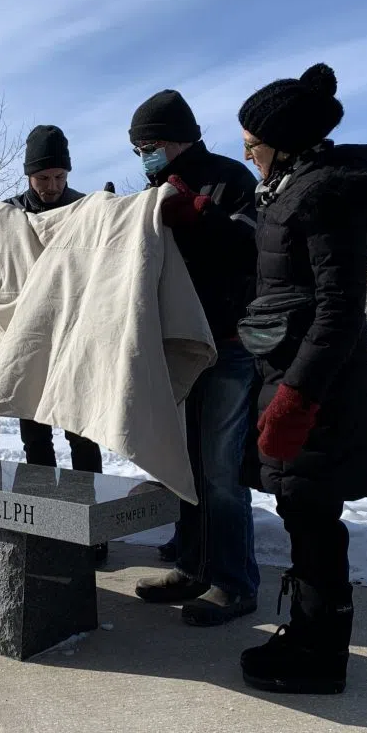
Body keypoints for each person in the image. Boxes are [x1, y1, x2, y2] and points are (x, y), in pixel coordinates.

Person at [234, 63, 367, 694]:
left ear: (283, 141)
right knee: (302, 514)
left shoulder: (328, 195)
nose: (247, 155)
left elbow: (339, 310)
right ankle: (306, 634)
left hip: (318, 391)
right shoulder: (291, 188)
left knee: (316, 519)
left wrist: (297, 396)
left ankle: (321, 656)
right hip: (288, 374)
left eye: (252, 145)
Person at [127, 89, 262, 627]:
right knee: (183, 466)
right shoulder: (154, 191)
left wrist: (194, 213)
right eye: (138, 147)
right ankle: (192, 565)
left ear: (178, 138)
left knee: (221, 470)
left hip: (227, 345)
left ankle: (234, 582)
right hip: (177, 349)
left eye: (149, 144)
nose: (144, 155)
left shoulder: (232, 179)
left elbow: (246, 249)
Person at [5, 124, 108, 565]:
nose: (52, 187)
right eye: (43, 179)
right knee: (35, 440)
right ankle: (43, 521)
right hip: (29, 343)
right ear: (29, 176)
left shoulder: (86, 210)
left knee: (82, 437)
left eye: (59, 178)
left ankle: (93, 527)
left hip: (75, 340)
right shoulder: (8, 214)